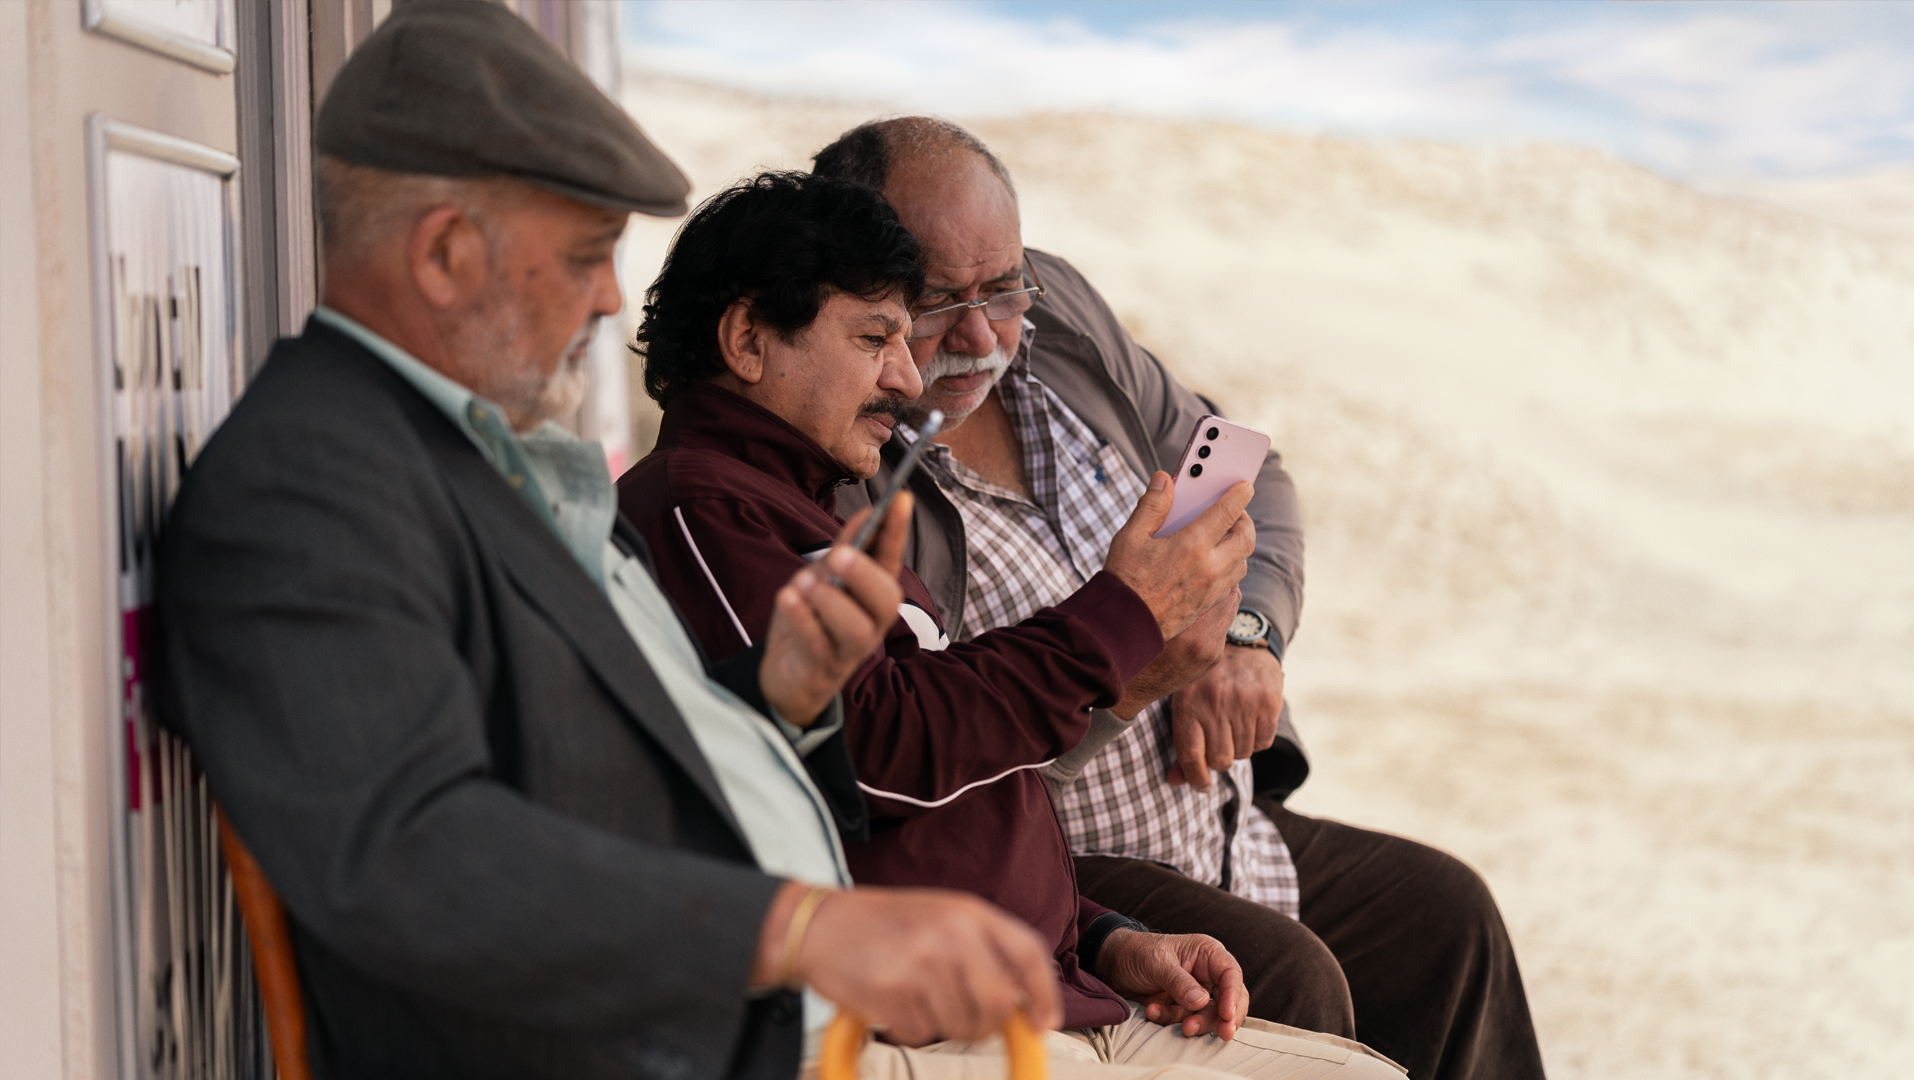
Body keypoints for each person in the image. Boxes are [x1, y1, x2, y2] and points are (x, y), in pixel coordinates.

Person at [153, 7, 1067, 1078]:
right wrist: (799, 930)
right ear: (445, 254)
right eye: (586, 257)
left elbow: (590, 768)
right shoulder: (308, 488)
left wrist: (780, 692)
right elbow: (414, 854)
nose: (606, 301)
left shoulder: (453, 454)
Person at [618, 170, 1403, 1080]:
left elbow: (943, 811)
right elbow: (882, 757)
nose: (908, 376)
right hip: (943, 1021)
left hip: (1060, 979)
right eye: (877, 337)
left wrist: (1103, 939)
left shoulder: (802, 499)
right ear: (748, 340)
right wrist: (1126, 613)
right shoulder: (701, 510)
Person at [812, 118, 1547, 1080]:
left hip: (1219, 820)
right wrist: (1125, 690)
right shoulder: (850, 460)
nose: (986, 334)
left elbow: (1250, 470)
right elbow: (924, 763)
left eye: (1002, 285)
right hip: (1066, 867)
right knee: (1286, 986)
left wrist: (1248, 635)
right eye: (940, 300)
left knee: (1449, 917)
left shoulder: (1060, 317)